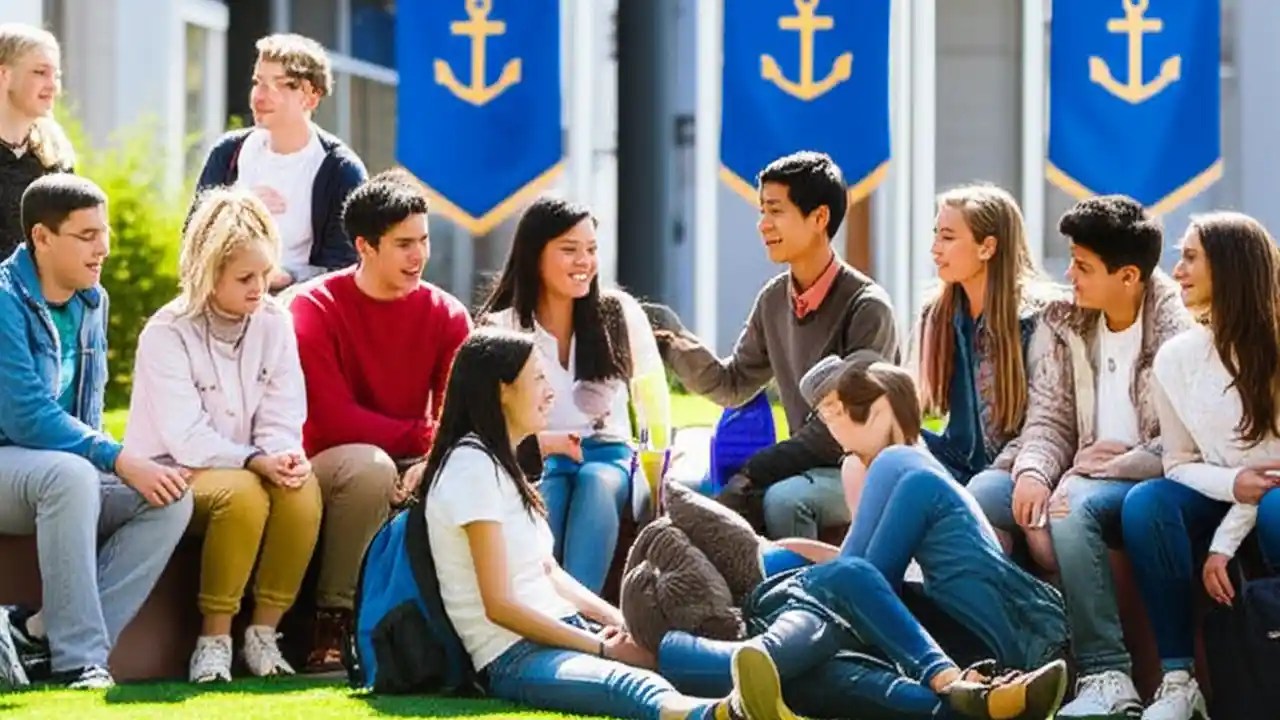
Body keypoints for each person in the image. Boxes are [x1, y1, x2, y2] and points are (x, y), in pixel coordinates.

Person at [657, 354, 1069, 720]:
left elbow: (864, 575)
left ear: (880, 409)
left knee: (834, 587)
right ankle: (974, 702)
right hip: (949, 637)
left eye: (836, 410)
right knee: (813, 668)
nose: (831, 424)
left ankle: (716, 660)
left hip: (1003, 637)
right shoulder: (901, 470)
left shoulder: (904, 468)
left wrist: (806, 577)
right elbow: (864, 576)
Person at [418, 326, 795, 720]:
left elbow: (547, 571)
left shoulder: (500, 463)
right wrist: (603, 648)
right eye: (538, 378)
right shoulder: (471, 468)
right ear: (502, 390)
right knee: (630, 683)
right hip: (514, 653)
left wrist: (618, 621)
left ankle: (789, 683)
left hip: (564, 626)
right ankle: (725, 713)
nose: (550, 391)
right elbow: (499, 606)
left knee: (674, 654)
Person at [966, 195, 1194, 719]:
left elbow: (1185, 443)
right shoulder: (1063, 322)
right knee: (982, 496)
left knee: (1070, 508)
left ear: (1129, 276)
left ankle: (1106, 673)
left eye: (1083, 266)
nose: (1069, 275)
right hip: (1072, 468)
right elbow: (1049, 418)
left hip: (1142, 476)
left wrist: (1115, 465)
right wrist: (1032, 473)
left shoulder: (1175, 332)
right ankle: (1027, 654)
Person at [645, 150, 900, 540]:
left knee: (784, 500)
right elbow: (733, 384)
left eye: (776, 211)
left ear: (819, 218)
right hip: (803, 466)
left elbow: (841, 427)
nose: (763, 225)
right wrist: (667, 341)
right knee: (694, 490)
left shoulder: (867, 308)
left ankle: (805, 583)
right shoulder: (774, 299)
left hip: (866, 468)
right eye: (762, 211)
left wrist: (758, 469)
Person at [0, 175, 192, 689]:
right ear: (42, 238)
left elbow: (88, 408)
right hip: (11, 464)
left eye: (104, 233)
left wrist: (128, 466)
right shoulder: (4, 300)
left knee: (169, 496)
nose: (103, 248)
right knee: (71, 475)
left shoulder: (92, 301)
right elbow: (25, 416)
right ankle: (79, 662)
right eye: (87, 235)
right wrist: (117, 457)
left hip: (57, 472)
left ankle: (36, 633)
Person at [124, 188, 323, 683]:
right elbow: (186, 438)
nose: (260, 288)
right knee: (243, 494)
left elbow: (282, 413)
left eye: (265, 273)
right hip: (171, 474)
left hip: (248, 464)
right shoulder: (167, 332)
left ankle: (263, 635)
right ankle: (214, 641)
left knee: (301, 488)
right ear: (209, 274)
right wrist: (255, 459)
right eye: (245, 278)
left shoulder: (275, 323)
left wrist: (283, 455)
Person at [288, 169, 471, 670]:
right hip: (332, 463)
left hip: (412, 458)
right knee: (372, 469)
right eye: (403, 244)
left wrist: (430, 459)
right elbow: (330, 420)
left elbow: (460, 415)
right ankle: (334, 623)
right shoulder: (314, 307)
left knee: (471, 470)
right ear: (364, 246)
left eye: (424, 241)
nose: (419, 256)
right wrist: (422, 438)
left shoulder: (448, 315)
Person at [1122, 212, 1280, 720]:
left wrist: (1224, 543)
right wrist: (1233, 483)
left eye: (1190, 257)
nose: (1177, 271)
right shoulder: (1176, 358)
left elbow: (1271, 473)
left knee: (1276, 508)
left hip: (1269, 500)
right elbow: (1178, 462)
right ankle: (1177, 680)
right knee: (1145, 505)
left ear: (1230, 267)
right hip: (1219, 489)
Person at [477, 196, 666, 594]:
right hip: (538, 456)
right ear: (534, 255)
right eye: (569, 250)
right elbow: (486, 423)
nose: (584, 261)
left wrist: (657, 480)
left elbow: (653, 404)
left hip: (608, 453)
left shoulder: (618, 313)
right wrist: (546, 444)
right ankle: (542, 609)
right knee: (550, 488)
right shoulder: (501, 328)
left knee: (596, 482)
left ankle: (578, 615)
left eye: (591, 249)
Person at [194, 33, 366, 291]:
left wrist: (283, 278)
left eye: (279, 85)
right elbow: (194, 241)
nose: (260, 96)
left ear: (311, 97)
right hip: (223, 301)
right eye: (258, 82)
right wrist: (239, 208)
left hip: (299, 308)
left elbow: (345, 270)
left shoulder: (340, 170)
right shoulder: (228, 153)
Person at [914, 184, 1059, 486]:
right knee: (882, 456)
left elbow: (1050, 424)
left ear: (987, 247)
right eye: (936, 234)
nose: (935, 249)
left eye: (948, 237)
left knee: (983, 488)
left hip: (1016, 469)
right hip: (954, 462)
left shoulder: (1037, 320)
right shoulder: (938, 314)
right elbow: (921, 405)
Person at [0, 23, 76, 261]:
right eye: (40, 72)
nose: (53, 86)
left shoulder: (56, 158)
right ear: (4, 75)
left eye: (57, 75)